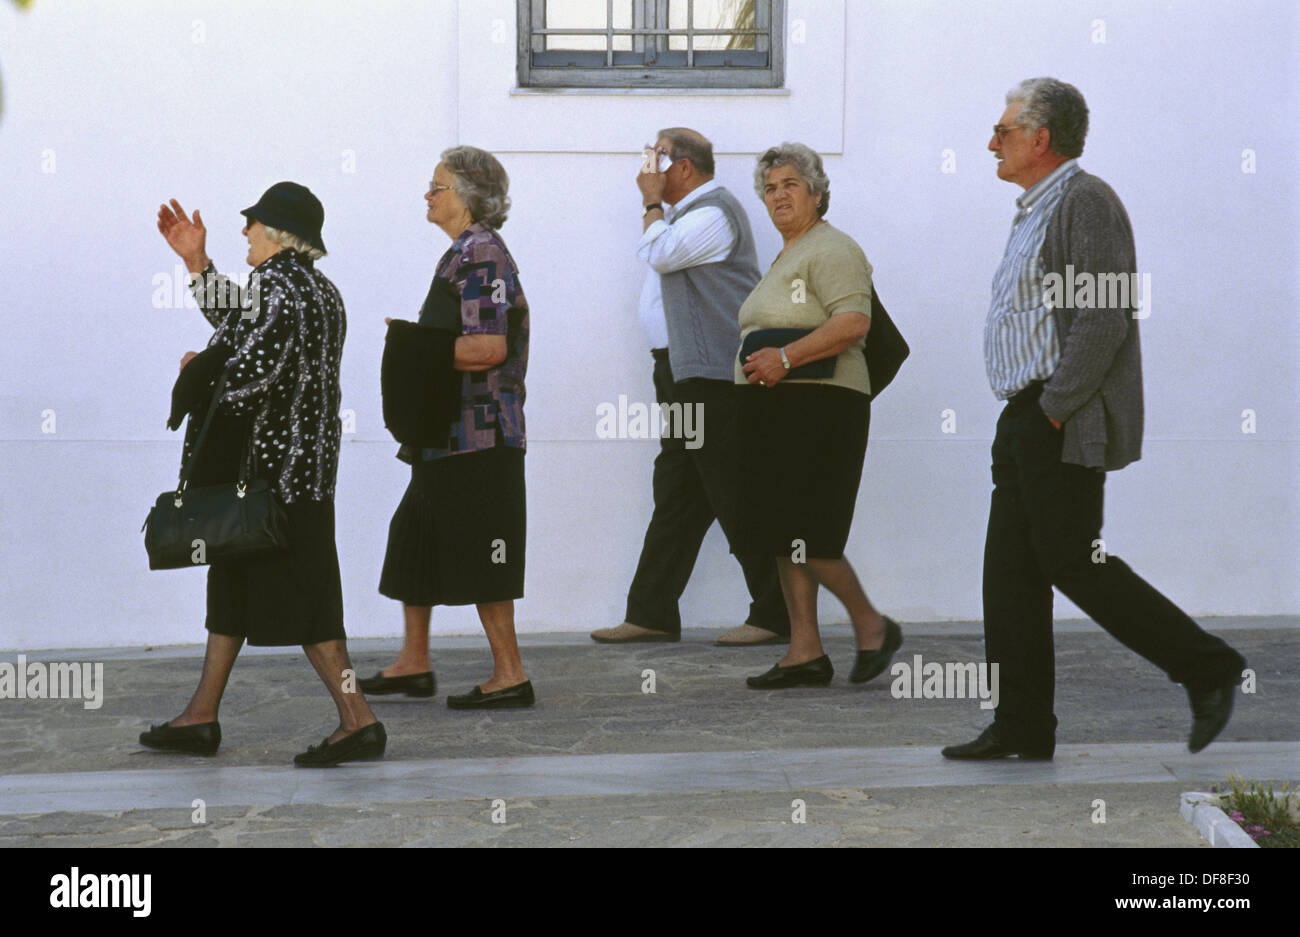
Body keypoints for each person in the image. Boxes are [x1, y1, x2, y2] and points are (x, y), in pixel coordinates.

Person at [942, 78, 1245, 760]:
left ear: (1040, 138)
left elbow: (1103, 319)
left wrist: (1051, 411)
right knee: (1010, 577)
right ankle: (1021, 725)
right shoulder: (1034, 209)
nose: (992, 141)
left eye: (1003, 131)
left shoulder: (1086, 202)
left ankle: (1208, 666)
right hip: (1024, 415)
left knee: (1075, 562)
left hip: (1057, 414)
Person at [145, 182, 385, 766]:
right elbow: (241, 329)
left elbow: (244, 379)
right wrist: (196, 263)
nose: (245, 231)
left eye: (253, 224)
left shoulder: (275, 288)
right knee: (232, 591)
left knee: (310, 608)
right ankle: (201, 716)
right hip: (301, 473)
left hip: (272, 480)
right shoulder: (319, 290)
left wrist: (194, 369)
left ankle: (359, 720)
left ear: (278, 233)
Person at [589, 127, 791, 647]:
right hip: (683, 373)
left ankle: (776, 613)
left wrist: (650, 204)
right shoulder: (684, 216)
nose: (646, 168)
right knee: (680, 491)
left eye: (654, 156)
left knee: (733, 486)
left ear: (683, 167)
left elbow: (661, 255)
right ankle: (651, 610)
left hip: (713, 376)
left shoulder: (712, 213)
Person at [361, 146, 534, 709]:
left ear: (464, 195)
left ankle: (510, 674)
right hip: (448, 432)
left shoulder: (481, 251)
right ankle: (414, 662)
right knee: (415, 538)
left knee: (488, 551)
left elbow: (488, 346)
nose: (428, 196)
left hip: (479, 434)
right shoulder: (461, 252)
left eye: (436, 186)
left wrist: (413, 344)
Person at [734, 143, 901, 688]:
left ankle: (872, 625)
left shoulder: (833, 248)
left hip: (821, 407)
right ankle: (805, 651)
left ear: (818, 193)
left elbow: (854, 322)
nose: (778, 195)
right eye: (770, 188)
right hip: (779, 409)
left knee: (813, 532)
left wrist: (783, 357)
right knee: (786, 531)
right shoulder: (788, 254)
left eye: (790, 185)